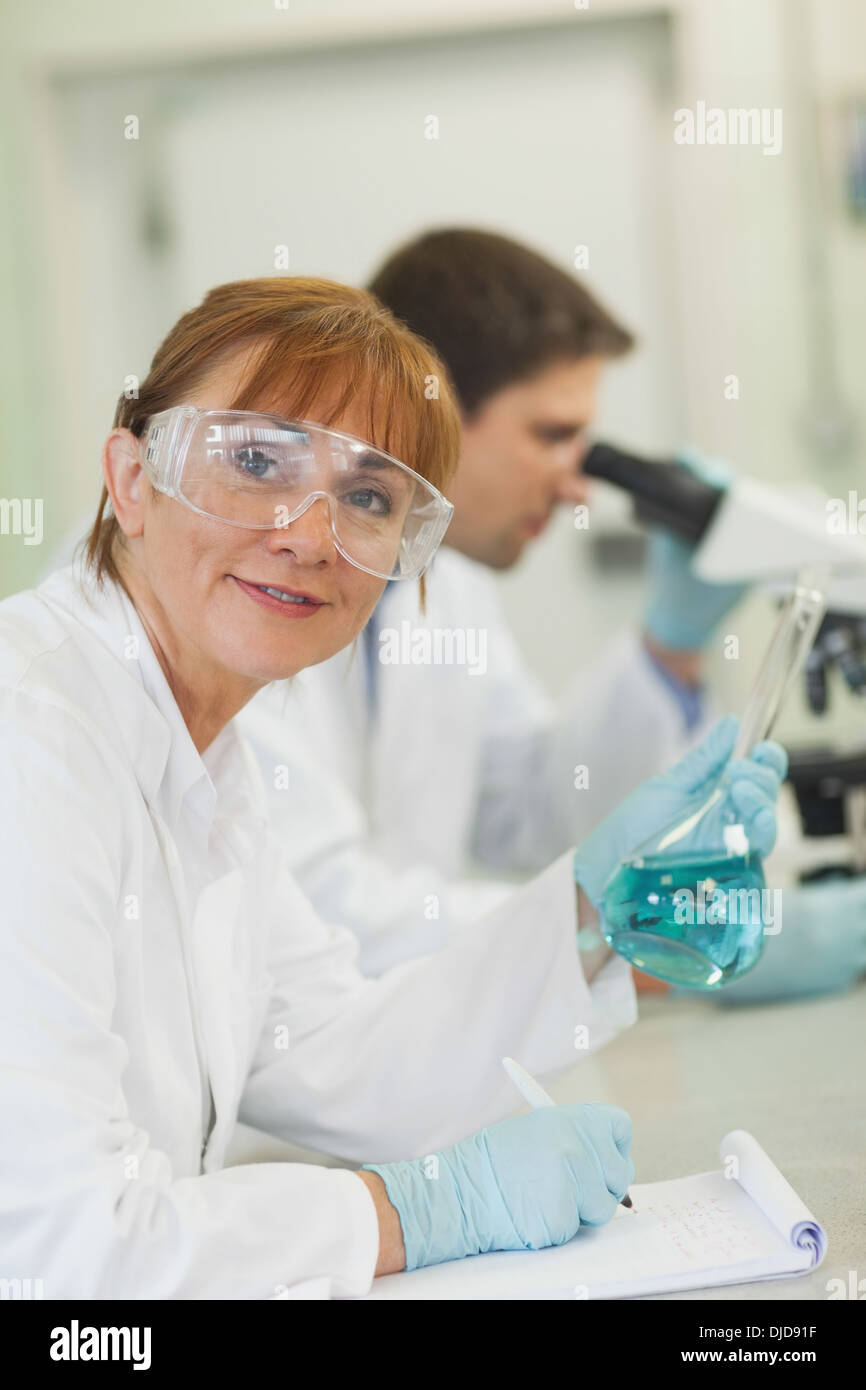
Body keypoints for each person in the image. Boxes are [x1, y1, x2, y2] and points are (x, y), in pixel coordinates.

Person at [0, 275, 785, 1297]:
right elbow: (63, 1248)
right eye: (253, 462)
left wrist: (598, 909)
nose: (309, 532)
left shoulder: (201, 755)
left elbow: (334, 1048)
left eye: (368, 498)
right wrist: (415, 1212)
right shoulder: (33, 733)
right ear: (131, 478)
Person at [238, 230, 866, 1004]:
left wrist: (670, 647)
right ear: (423, 413)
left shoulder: (441, 587)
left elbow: (535, 806)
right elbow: (318, 913)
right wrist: (632, 943)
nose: (579, 487)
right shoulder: (249, 582)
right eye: (552, 436)